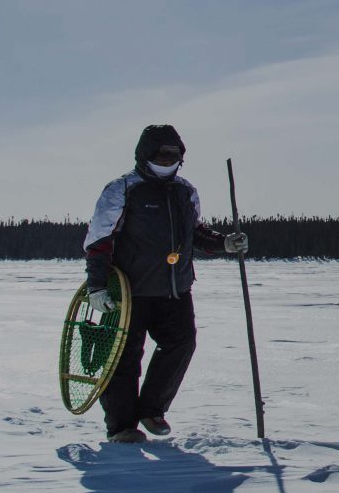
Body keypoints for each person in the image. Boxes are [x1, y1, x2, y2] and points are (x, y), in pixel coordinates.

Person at [82, 124, 248, 443]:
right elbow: (99, 240)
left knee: (182, 343)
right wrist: (97, 287)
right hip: (128, 293)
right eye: (162, 153)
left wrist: (224, 243)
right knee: (123, 357)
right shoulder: (122, 189)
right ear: (145, 155)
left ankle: (152, 409)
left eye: (174, 154)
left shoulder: (185, 191)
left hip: (175, 290)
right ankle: (122, 426)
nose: (168, 159)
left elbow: (195, 233)